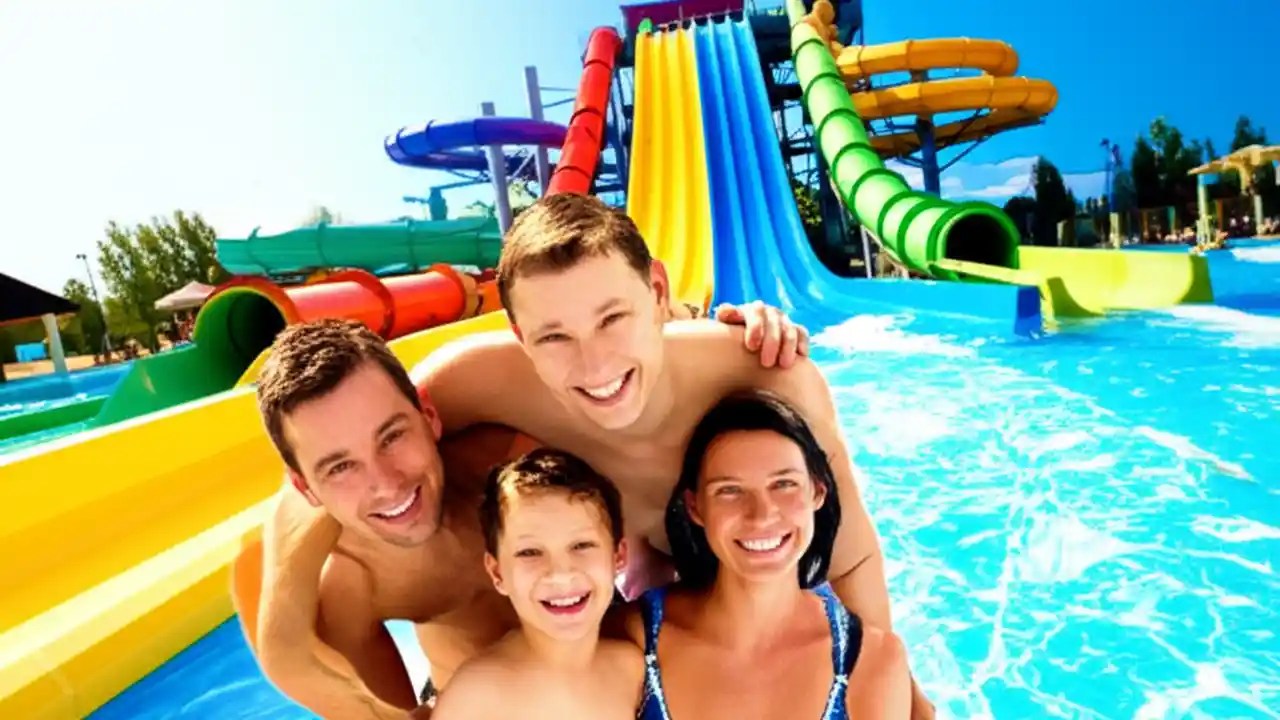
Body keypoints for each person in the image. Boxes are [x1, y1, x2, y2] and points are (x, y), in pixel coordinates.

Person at [243, 298, 807, 718]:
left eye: (392, 436)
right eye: (340, 467)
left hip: (608, 679)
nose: (386, 483)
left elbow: (639, 412)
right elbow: (392, 711)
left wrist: (723, 343)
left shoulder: (506, 462)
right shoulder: (351, 585)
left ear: (429, 416)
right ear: (306, 488)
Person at [631, 390, 911, 719]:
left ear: (817, 491)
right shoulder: (635, 637)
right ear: (695, 507)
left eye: (784, 484)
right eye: (729, 491)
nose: (761, 516)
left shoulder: (872, 662)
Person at [429, 448, 643, 719]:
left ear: (618, 557)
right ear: (497, 573)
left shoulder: (631, 670)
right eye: (530, 552)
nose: (560, 574)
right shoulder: (476, 699)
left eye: (581, 545)